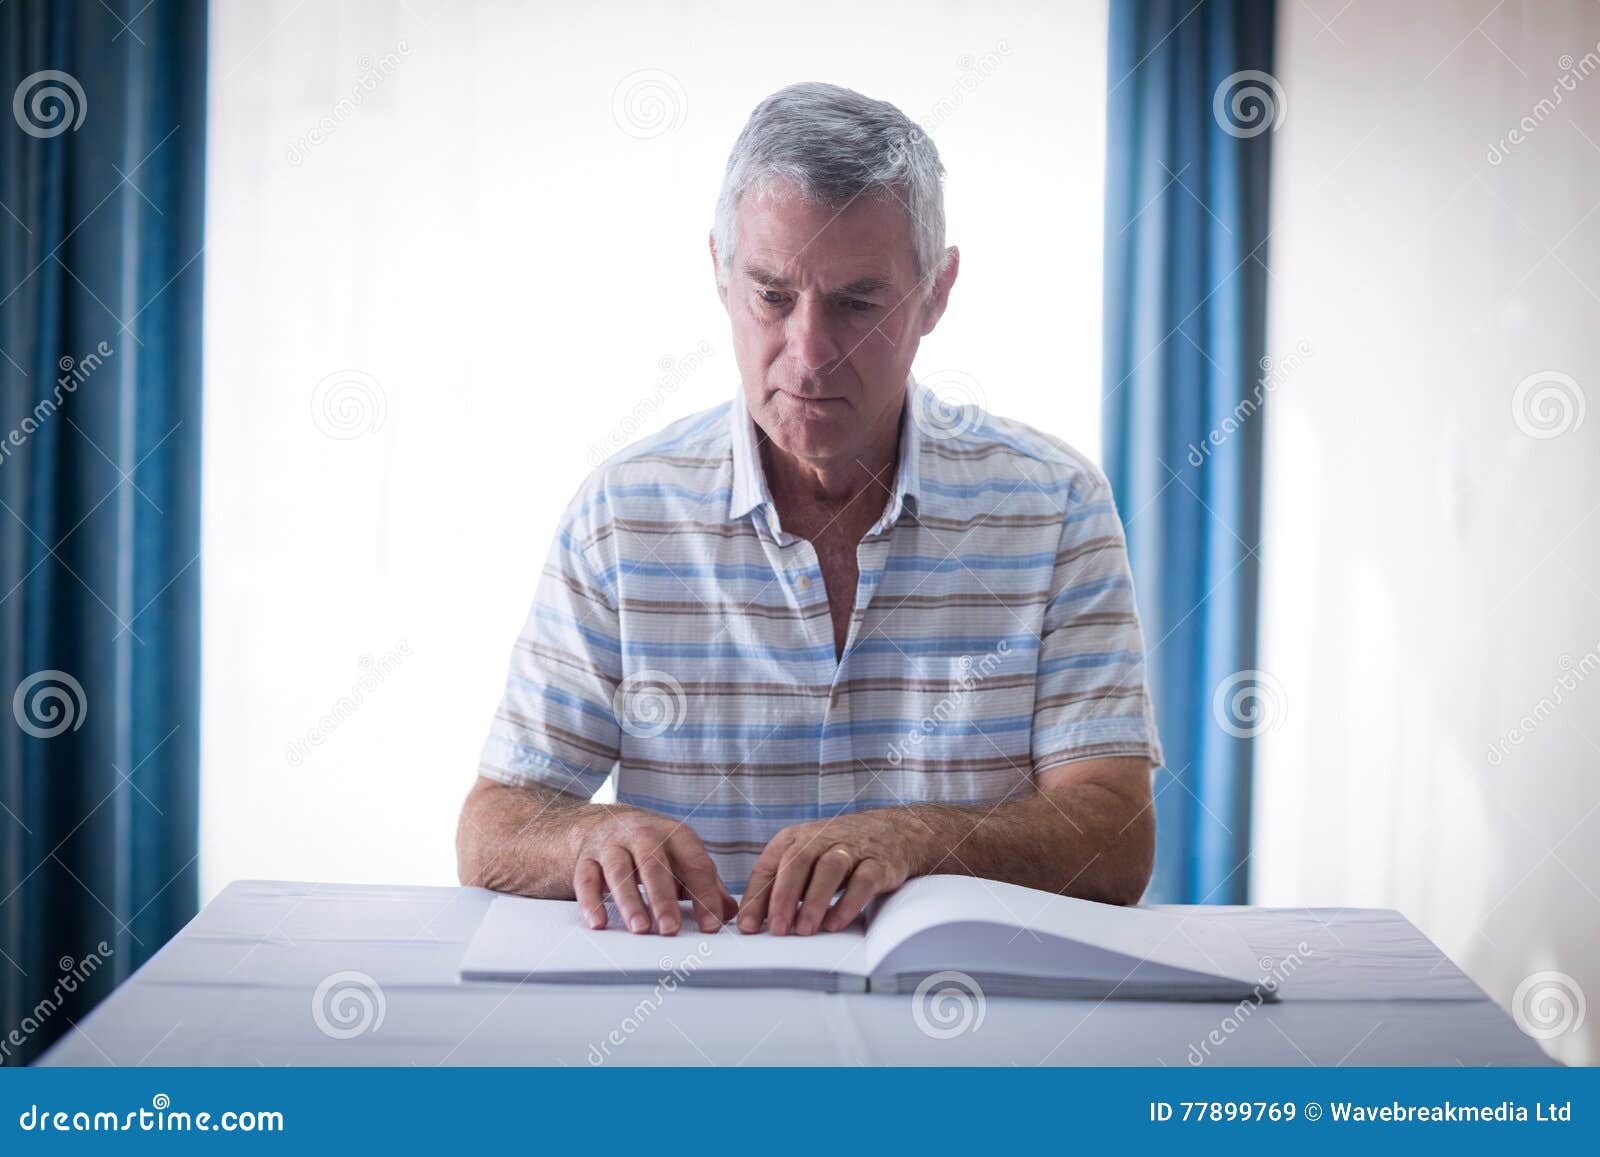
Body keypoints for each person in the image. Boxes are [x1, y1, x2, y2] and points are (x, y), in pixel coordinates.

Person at [457, 81, 1163, 938]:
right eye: (772, 295)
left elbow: (1117, 837)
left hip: (971, 1036)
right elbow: (494, 824)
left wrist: (914, 838)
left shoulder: (1056, 508)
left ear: (936, 293)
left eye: (857, 303)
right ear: (720, 272)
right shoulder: (623, 513)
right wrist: (589, 835)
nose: (810, 353)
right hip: (688, 1039)